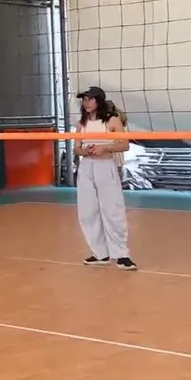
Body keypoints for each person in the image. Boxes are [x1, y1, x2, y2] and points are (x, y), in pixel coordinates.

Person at [74, 87, 136, 271]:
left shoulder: (112, 120)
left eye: (90, 99)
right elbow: (77, 148)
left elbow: (124, 145)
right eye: (84, 99)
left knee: (112, 210)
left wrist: (105, 148)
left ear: (98, 101)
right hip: (86, 167)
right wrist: (85, 151)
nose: (86, 102)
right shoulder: (81, 123)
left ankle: (122, 255)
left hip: (105, 166)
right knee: (88, 211)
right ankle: (101, 253)